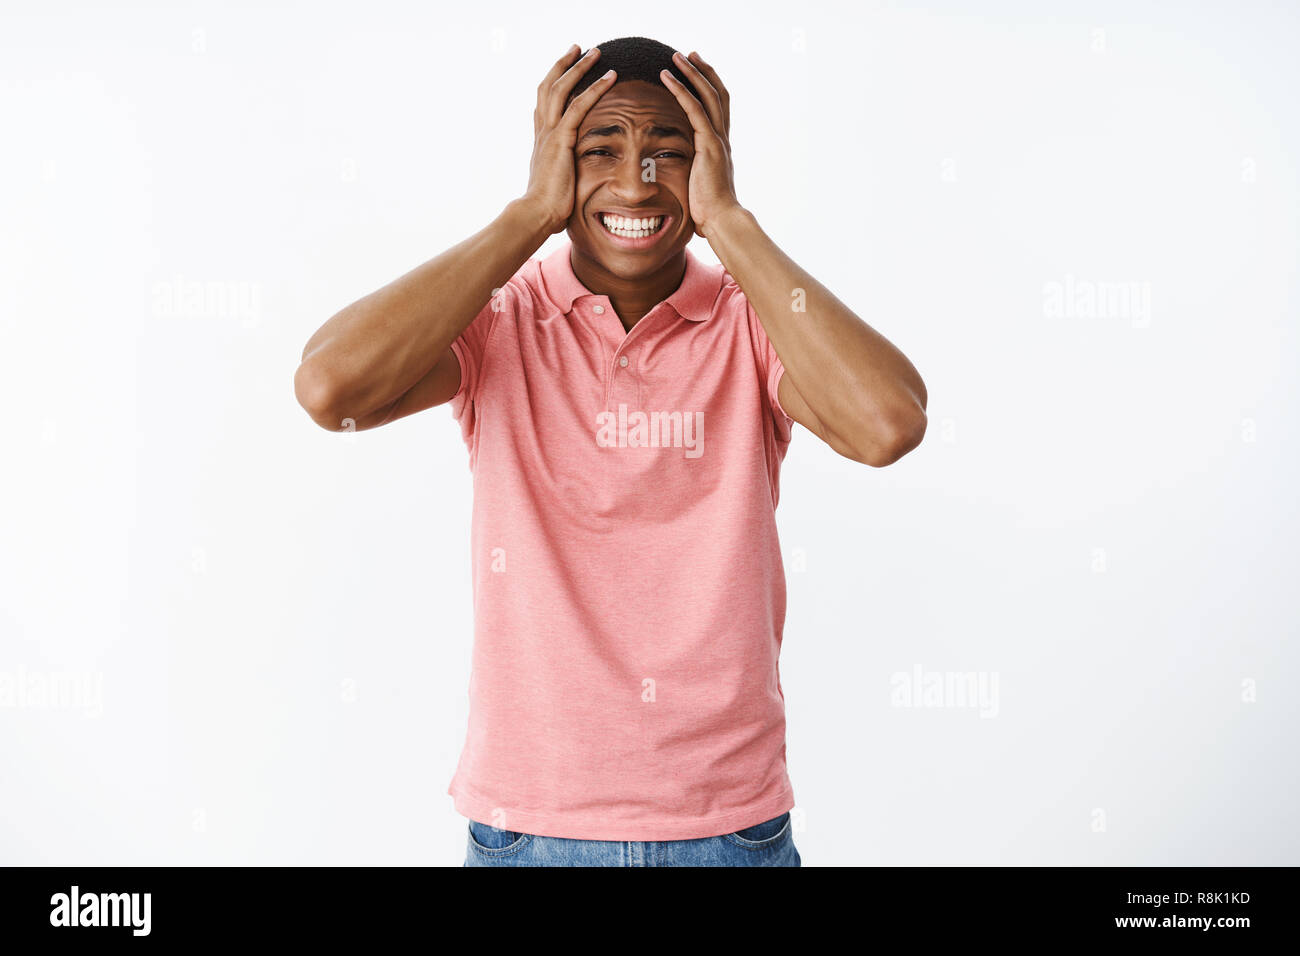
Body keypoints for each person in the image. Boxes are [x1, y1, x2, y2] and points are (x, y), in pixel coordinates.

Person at [294, 35, 928, 867]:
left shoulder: (755, 323)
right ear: (554, 160)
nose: (637, 182)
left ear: (709, 166)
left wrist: (731, 225)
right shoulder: (497, 319)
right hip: (530, 825)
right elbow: (330, 389)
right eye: (601, 149)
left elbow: (888, 425)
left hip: (727, 828)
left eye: (671, 151)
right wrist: (526, 217)